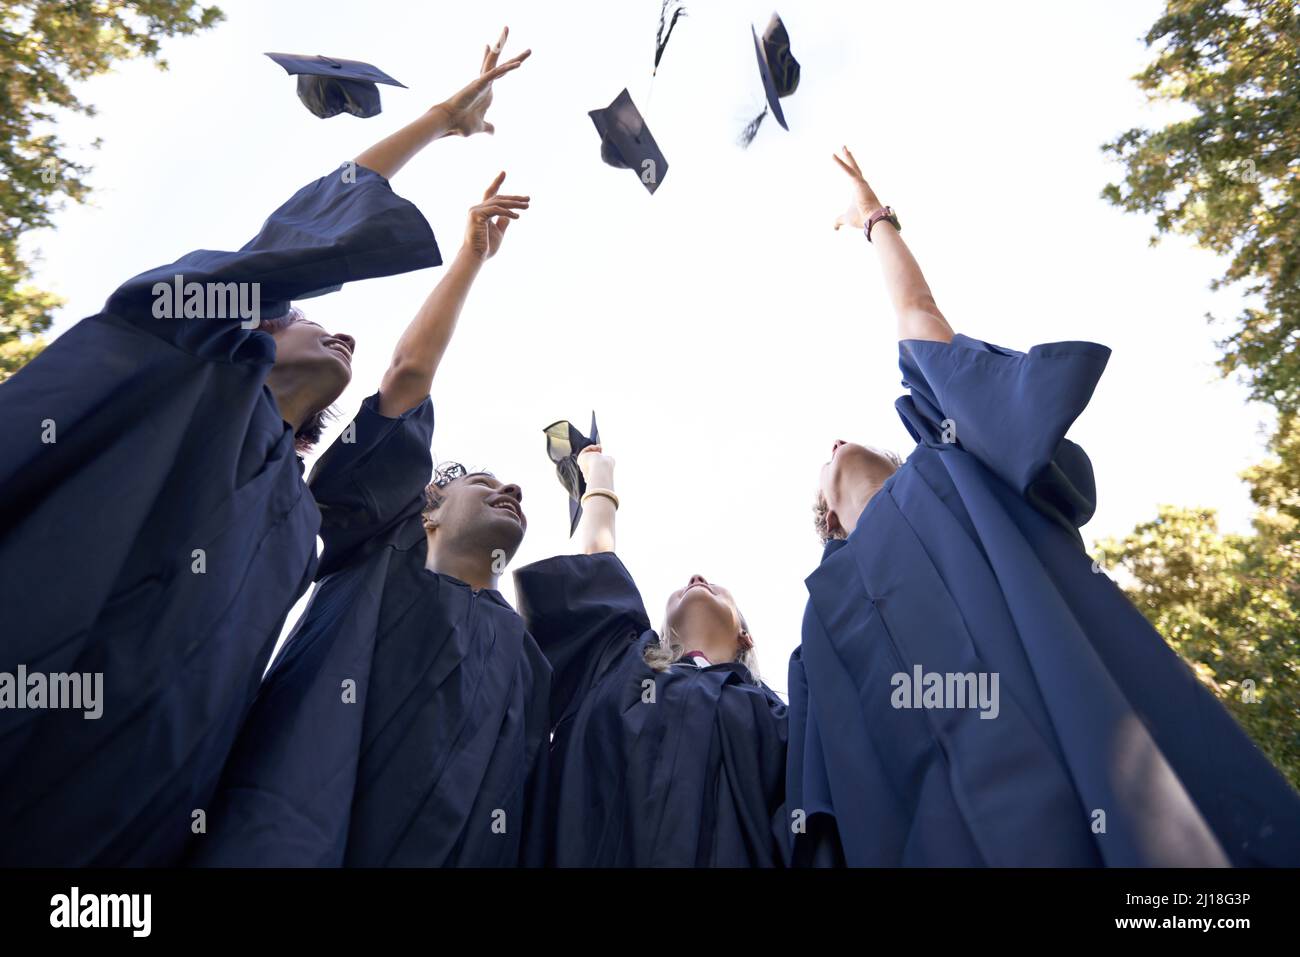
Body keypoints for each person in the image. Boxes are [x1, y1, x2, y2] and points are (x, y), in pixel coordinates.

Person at [0, 31, 528, 867]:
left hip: (132, 805)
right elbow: (292, 238)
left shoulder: (306, 516)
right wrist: (438, 121)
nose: (341, 327)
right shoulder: (195, 363)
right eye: (314, 318)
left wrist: (470, 259)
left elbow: (407, 376)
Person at [786, 146, 1300, 867]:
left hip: (1090, 754)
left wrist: (874, 218)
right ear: (827, 518)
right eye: (823, 459)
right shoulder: (817, 627)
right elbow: (818, 807)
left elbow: (920, 320)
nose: (837, 439)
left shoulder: (952, 458)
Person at [189, 152, 550, 865]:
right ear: (428, 509)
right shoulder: (369, 543)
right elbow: (407, 376)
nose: (510, 489)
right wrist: (471, 258)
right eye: (482, 480)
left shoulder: (529, 662)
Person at [513, 445, 789, 866]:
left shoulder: (780, 719)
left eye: (714, 584)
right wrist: (599, 479)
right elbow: (596, 569)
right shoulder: (621, 666)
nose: (697, 577)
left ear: (745, 637)